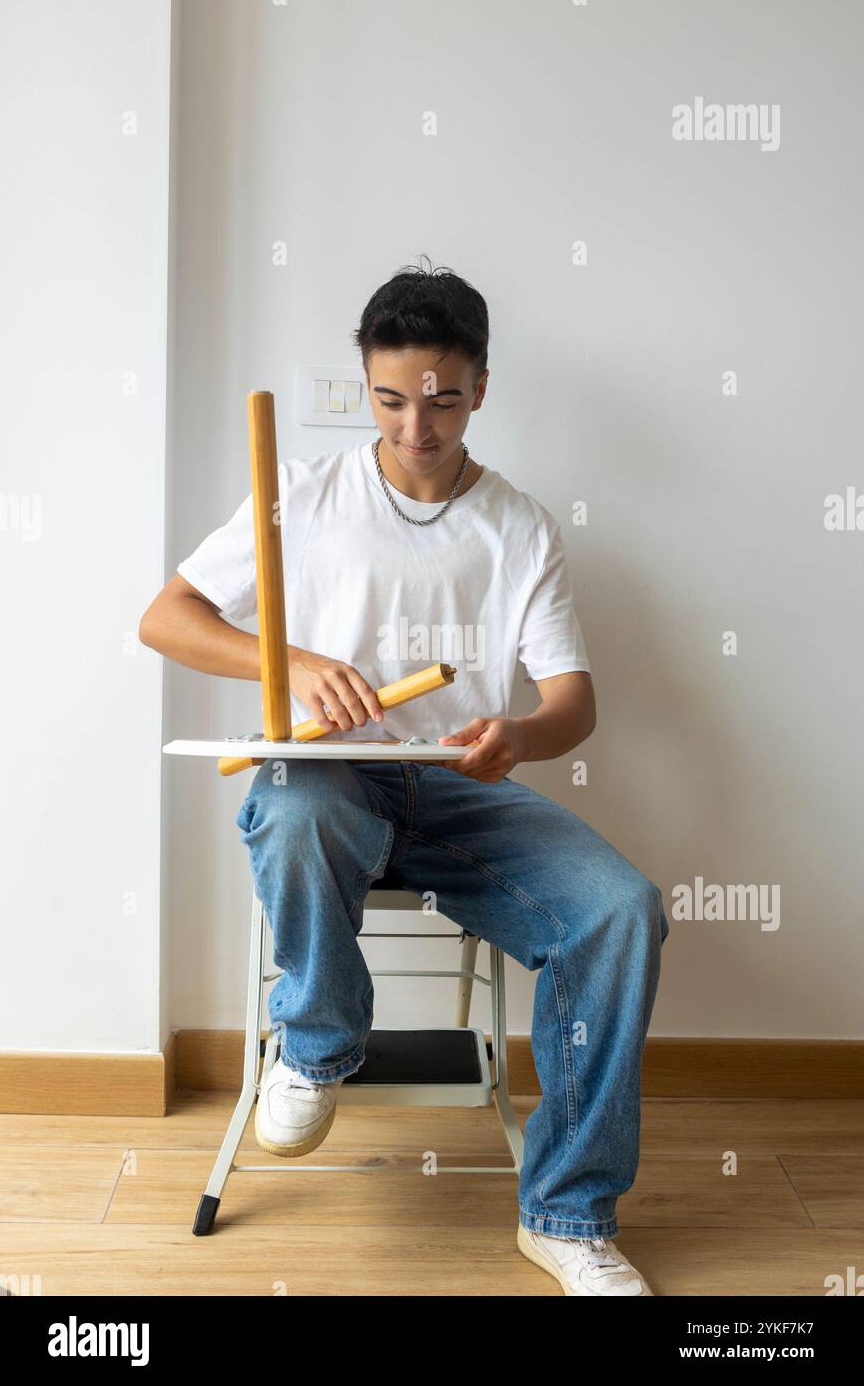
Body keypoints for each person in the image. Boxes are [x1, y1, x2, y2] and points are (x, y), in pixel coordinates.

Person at [139, 256, 670, 1296]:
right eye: (387, 400)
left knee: (621, 910)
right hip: (332, 782)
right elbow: (166, 617)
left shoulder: (520, 526)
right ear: (366, 388)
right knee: (292, 802)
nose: (413, 427)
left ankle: (566, 1215)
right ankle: (316, 1043)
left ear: (479, 386)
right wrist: (287, 660)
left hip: (462, 786)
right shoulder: (304, 495)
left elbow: (574, 700)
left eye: (439, 399)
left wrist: (518, 733)